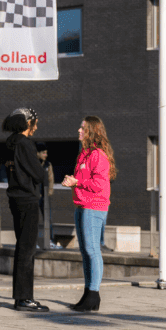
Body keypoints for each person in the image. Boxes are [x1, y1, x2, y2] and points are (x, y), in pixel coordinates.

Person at [61, 115, 115, 313]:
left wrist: (78, 182)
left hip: (94, 206)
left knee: (92, 251)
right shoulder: (84, 154)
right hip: (82, 205)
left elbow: (101, 185)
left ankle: (94, 294)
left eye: (83, 128)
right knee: (85, 252)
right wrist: (73, 180)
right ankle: (88, 293)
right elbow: (85, 179)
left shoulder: (98, 155)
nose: (79, 130)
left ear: (92, 131)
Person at [3, 107, 49, 312]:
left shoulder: (10, 143)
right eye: (34, 122)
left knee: (22, 247)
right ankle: (24, 298)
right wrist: (43, 170)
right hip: (27, 200)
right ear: (27, 123)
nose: (36, 126)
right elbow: (39, 175)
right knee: (27, 249)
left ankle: (21, 297)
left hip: (15, 198)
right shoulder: (25, 144)